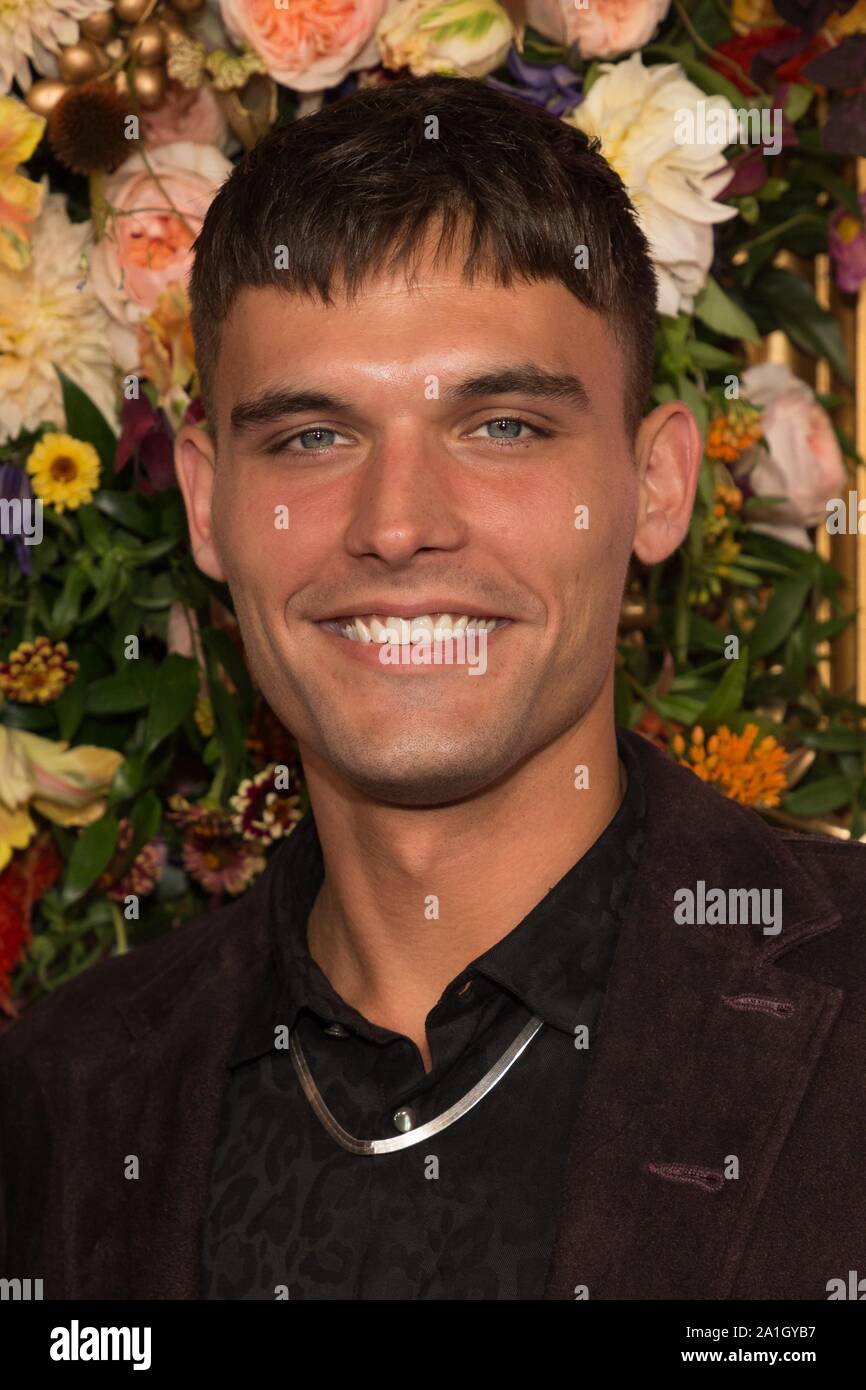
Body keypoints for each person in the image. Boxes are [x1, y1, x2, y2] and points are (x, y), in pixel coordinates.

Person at [1, 74, 864, 1302]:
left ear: (657, 486)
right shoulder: (63, 1097)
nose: (396, 526)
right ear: (206, 503)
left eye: (502, 425)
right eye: (311, 436)